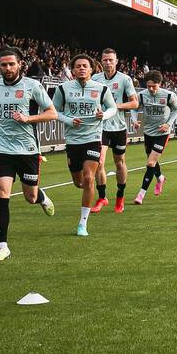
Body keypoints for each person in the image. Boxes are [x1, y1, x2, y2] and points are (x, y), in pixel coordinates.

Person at [0, 46, 58, 261]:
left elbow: (52, 113)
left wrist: (28, 119)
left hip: (28, 150)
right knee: (1, 192)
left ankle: (41, 197)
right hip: (3, 149)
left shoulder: (33, 86)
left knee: (30, 197)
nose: (7, 68)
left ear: (20, 64)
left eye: (11, 64)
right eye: (3, 64)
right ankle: (2, 245)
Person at [51, 55, 117, 236]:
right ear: (72, 71)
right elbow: (54, 111)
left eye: (85, 66)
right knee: (79, 182)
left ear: (91, 70)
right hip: (73, 141)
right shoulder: (63, 89)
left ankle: (82, 224)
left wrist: (104, 115)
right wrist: (69, 120)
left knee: (89, 178)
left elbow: (113, 108)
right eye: (78, 66)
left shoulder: (101, 89)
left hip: (93, 137)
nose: (81, 68)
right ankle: (91, 192)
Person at [90, 48, 140, 212]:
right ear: (101, 61)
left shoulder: (125, 79)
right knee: (99, 162)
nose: (108, 62)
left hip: (118, 127)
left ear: (116, 61)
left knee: (120, 163)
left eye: (111, 60)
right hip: (100, 127)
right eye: (105, 60)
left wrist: (114, 106)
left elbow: (134, 103)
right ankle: (102, 197)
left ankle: (120, 197)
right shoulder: (95, 79)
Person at [133, 70, 177, 206]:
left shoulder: (169, 95)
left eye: (154, 86)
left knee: (150, 163)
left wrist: (168, 124)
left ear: (160, 84)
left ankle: (141, 194)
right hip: (148, 132)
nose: (151, 89)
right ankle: (160, 178)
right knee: (151, 160)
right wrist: (135, 120)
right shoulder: (141, 95)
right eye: (149, 86)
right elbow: (134, 108)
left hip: (162, 133)